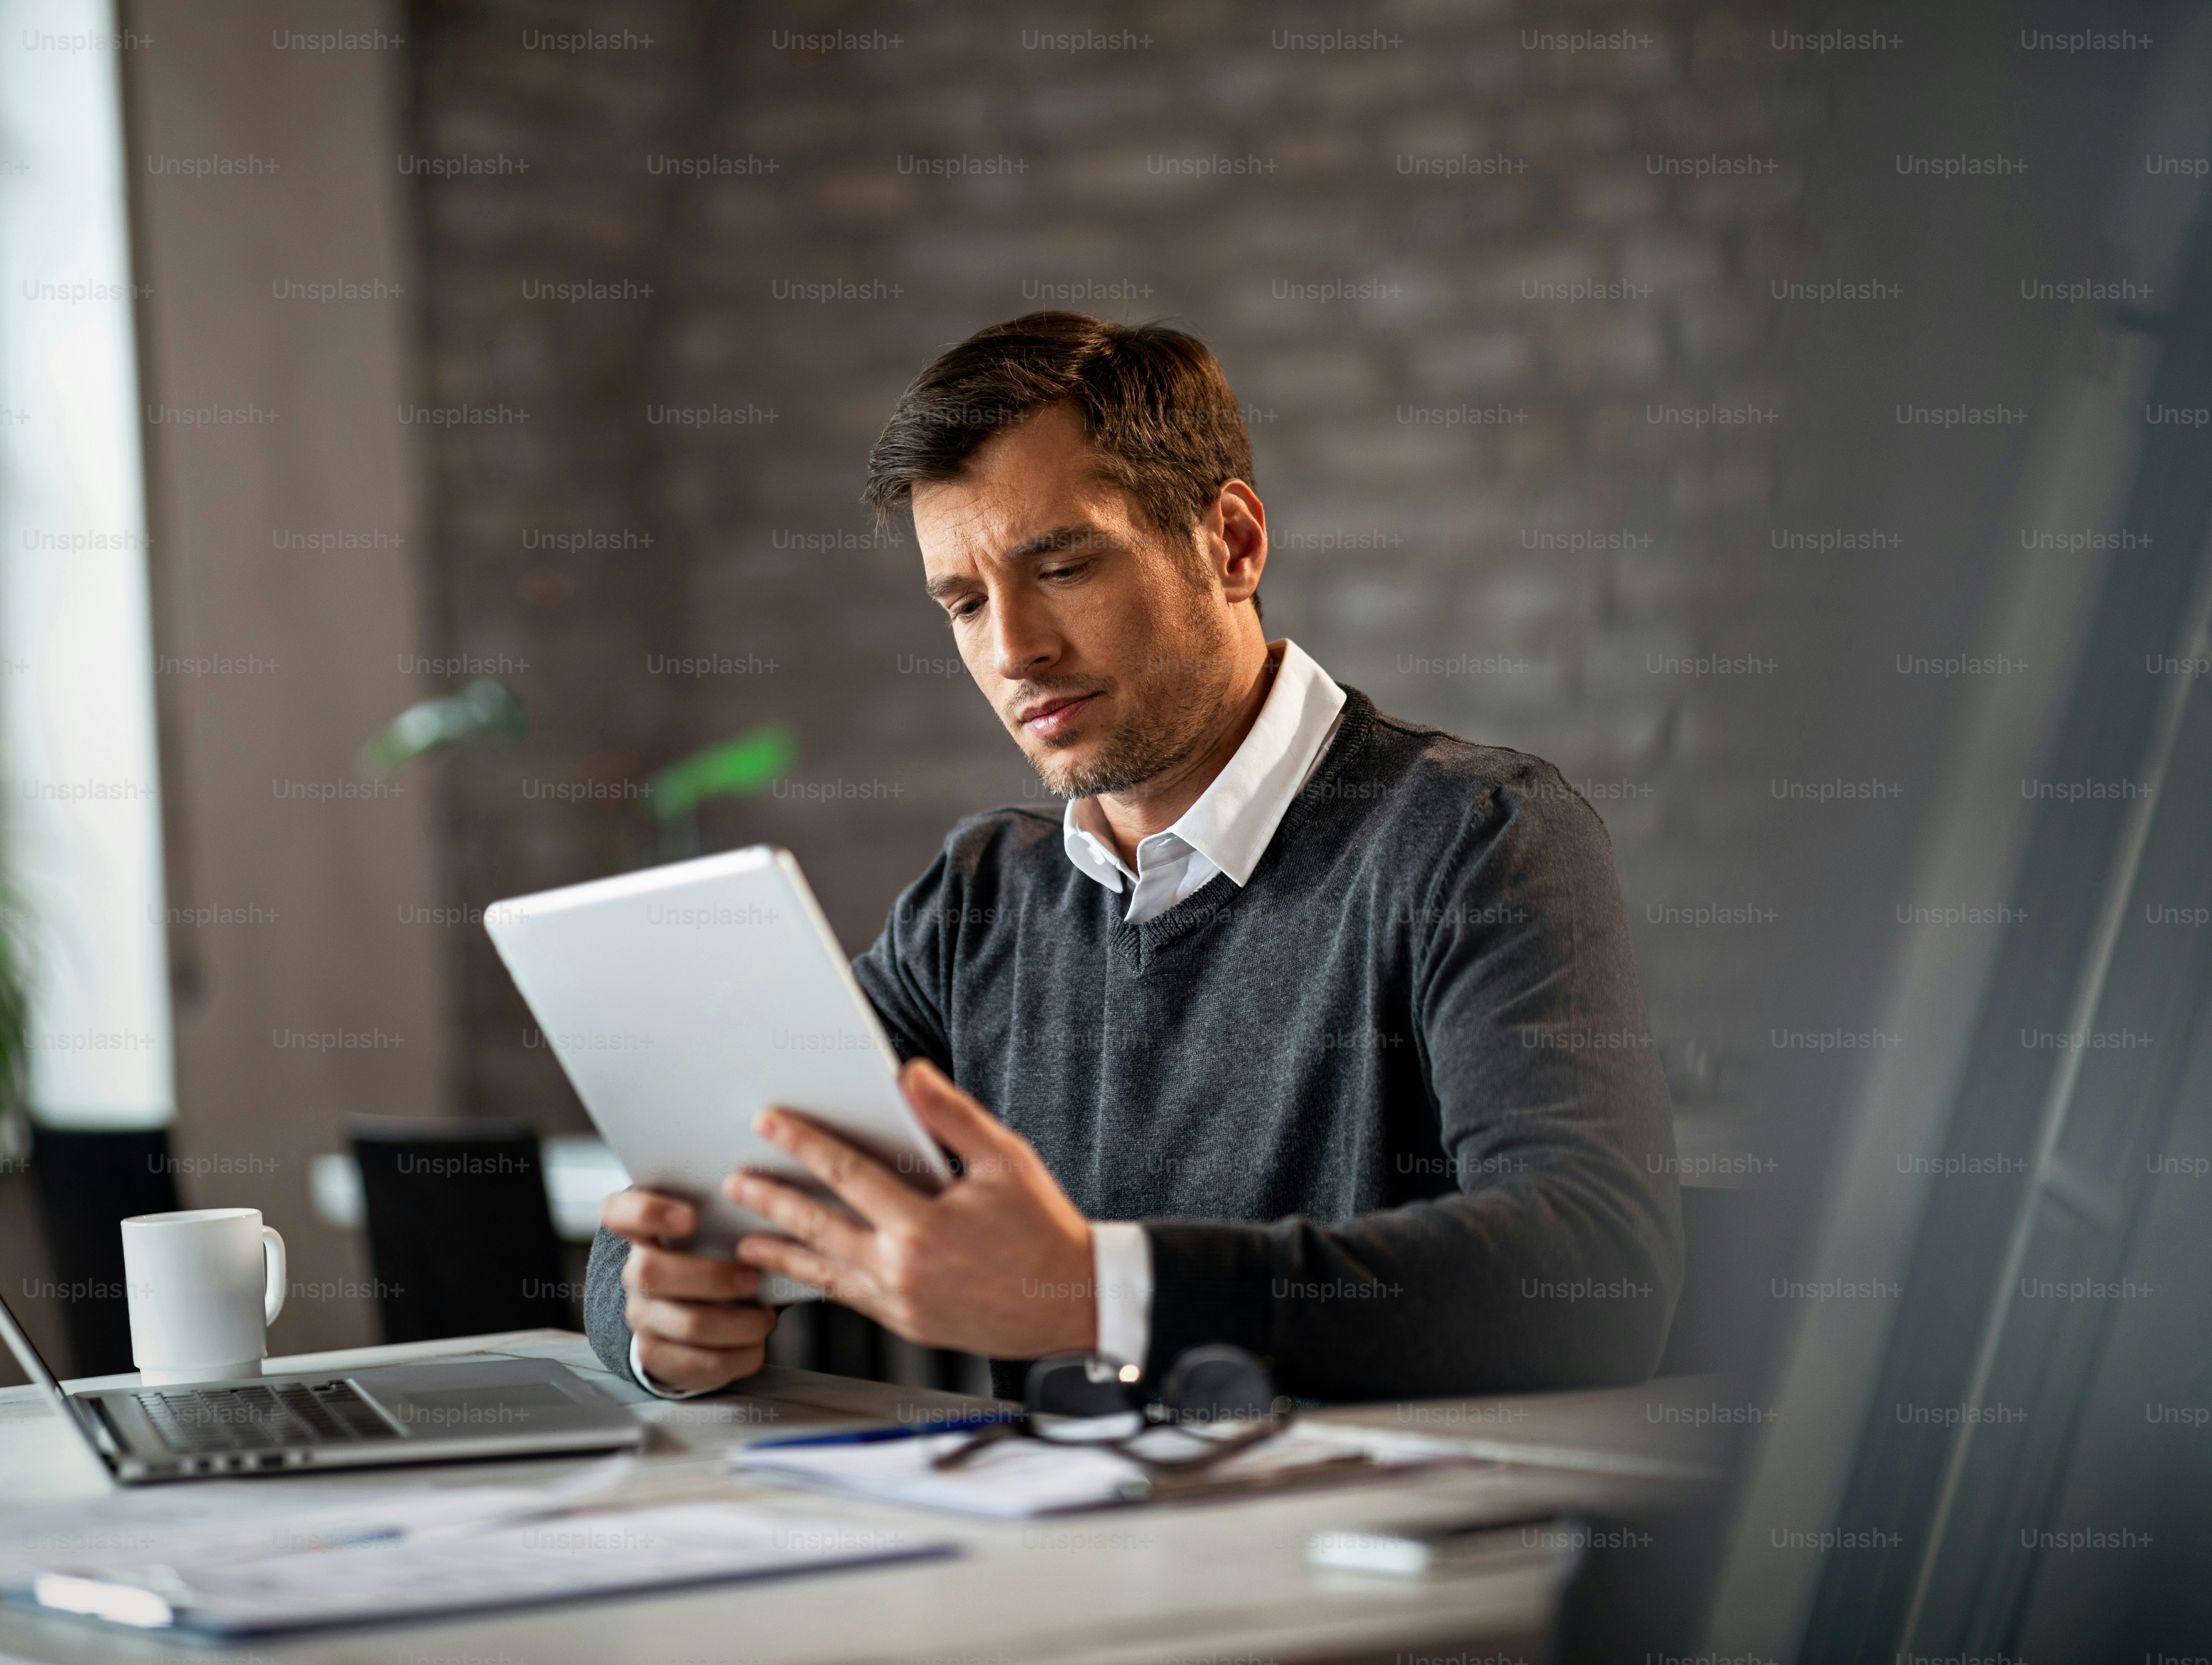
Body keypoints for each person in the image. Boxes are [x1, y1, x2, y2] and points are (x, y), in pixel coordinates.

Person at [587, 311, 1682, 1402]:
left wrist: (1097, 1291)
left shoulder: (1479, 839)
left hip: (1352, 1553)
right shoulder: (978, 903)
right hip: (1061, 1553)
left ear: (1233, 544)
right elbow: (675, 1203)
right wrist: (662, 1310)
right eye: (965, 604)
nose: (1015, 649)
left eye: (1062, 566)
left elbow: (1591, 1277)